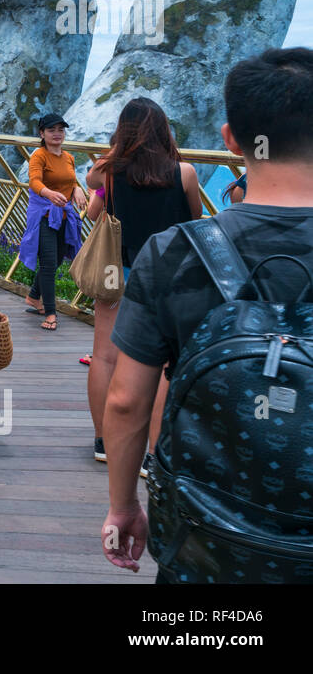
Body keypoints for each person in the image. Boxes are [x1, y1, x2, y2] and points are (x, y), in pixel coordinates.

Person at [102, 47, 313, 579]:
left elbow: (127, 401)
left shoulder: (174, 252)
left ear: (232, 139)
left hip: (205, 537)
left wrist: (124, 506)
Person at [83, 98, 201, 470]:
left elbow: (91, 182)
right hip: (168, 275)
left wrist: (119, 149)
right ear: (164, 130)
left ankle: (103, 441)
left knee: (104, 355)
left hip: (118, 270)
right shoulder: (185, 172)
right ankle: (153, 453)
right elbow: (195, 216)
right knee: (166, 362)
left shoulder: (109, 171)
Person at [21, 113, 88, 330]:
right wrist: (49, 193)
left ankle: (33, 296)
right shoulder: (39, 155)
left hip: (64, 216)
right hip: (44, 215)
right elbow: (34, 181)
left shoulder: (68, 157)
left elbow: (70, 180)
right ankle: (50, 313)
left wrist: (77, 188)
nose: (57, 134)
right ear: (42, 134)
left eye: (60, 129)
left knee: (58, 260)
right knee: (49, 263)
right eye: (52, 130)